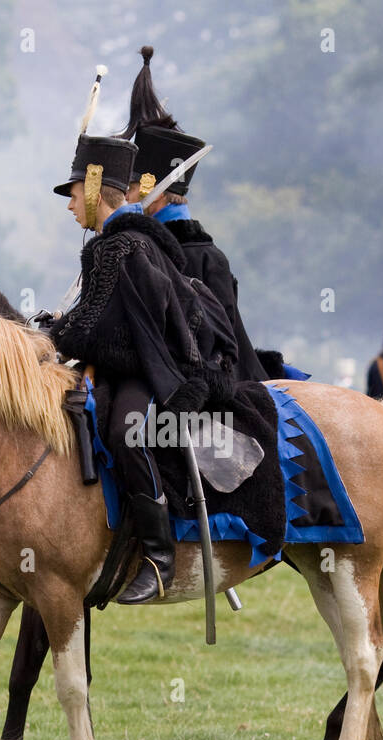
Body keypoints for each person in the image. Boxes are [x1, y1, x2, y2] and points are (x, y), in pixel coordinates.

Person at [50, 133, 234, 602]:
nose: (70, 206)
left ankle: (159, 557)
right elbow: (96, 318)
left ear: (92, 190)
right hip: (125, 366)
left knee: (127, 434)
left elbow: (97, 330)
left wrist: (52, 336)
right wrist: (57, 326)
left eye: (72, 194)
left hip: (154, 372)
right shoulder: (114, 244)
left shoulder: (121, 247)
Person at [118, 46, 282, 383]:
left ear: (155, 192)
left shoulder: (203, 258)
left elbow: (217, 349)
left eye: (131, 188)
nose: (124, 197)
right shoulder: (143, 248)